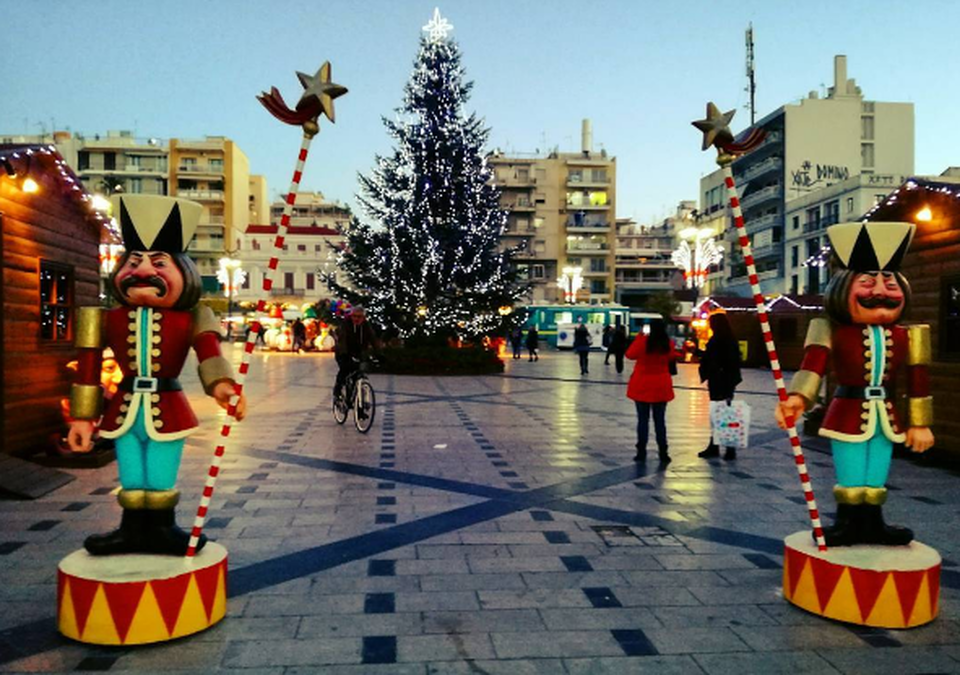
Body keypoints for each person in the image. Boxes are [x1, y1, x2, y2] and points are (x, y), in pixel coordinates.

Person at [67, 194, 246, 556]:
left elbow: (209, 353)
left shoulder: (194, 317)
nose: (143, 271)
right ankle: (131, 531)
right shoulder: (104, 319)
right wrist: (82, 417)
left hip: (170, 406)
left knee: (161, 476)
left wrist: (224, 387)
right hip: (124, 409)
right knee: (132, 477)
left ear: (184, 270)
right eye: (134, 261)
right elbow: (88, 368)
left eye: (159, 262)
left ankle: (162, 529)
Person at [776, 220, 933, 546]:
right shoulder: (829, 329)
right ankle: (847, 523)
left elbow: (918, 380)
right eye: (867, 283)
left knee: (876, 474)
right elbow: (813, 365)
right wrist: (798, 398)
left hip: (886, 415)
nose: (879, 292)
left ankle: (874, 524)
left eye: (890, 284)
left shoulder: (909, 335)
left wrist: (920, 423)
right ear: (842, 288)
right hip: (846, 411)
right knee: (851, 473)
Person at [625, 321, 675, 464]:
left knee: (642, 420)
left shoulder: (643, 341)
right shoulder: (667, 343)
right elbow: (672, 357)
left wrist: (640, 336)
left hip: (642, 385)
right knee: (660, 421)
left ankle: (641, 451)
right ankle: (663, 452)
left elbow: (630, 354)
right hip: (661, 385)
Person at [697, 313, 742, 460]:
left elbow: (714, 358)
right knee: (724, 413)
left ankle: (723, 447)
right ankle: (724, 447)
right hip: (726, 381)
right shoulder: (730, 339)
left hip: (719, 380)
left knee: (720, 413)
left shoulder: (719, 340)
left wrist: (700, 355)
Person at [334, 305, 378, 403]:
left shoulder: (366, 325)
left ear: (363, 317)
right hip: (343, 352)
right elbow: (342, 341)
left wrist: (379, 353)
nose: (356, 319)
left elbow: (373, 339)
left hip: (358, 352)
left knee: (357, 374)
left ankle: (357, 400)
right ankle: (337, 390)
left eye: (359, 316)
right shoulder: (345, 325)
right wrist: (344, 354)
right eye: (354, 316)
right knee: (345, 370)